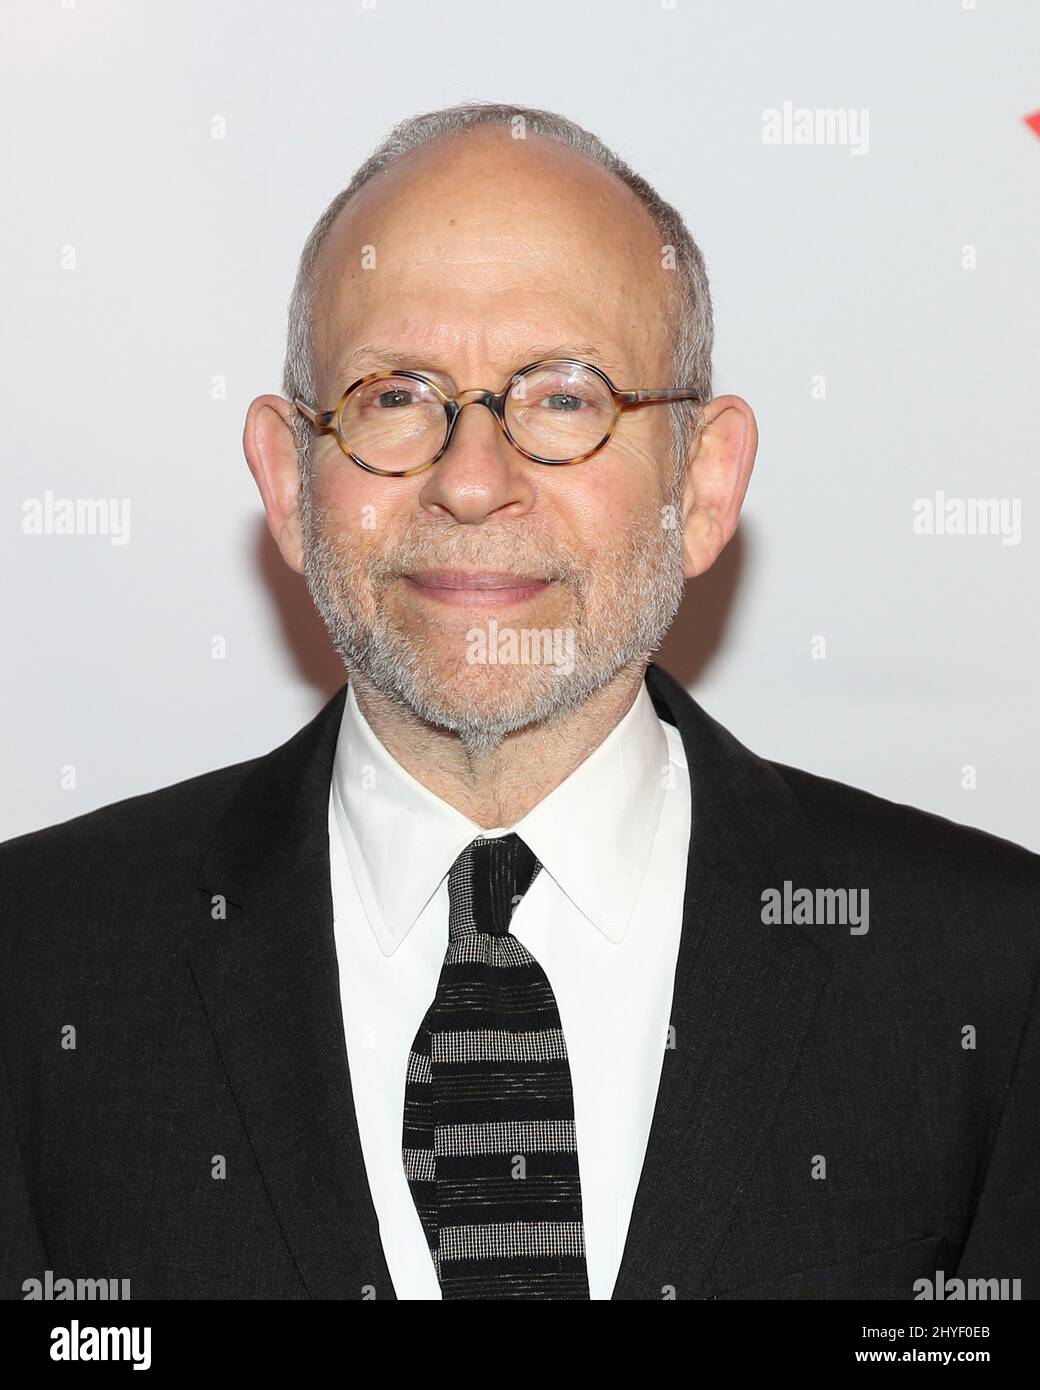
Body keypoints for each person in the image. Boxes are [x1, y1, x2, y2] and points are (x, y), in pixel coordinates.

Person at [2, 103, 1037, 1302]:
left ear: (700, 486)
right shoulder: (37, 969)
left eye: (561, 396)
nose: (472, 480)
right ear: (289, 483)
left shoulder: (987, 975)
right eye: (395, 395)